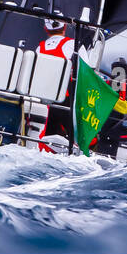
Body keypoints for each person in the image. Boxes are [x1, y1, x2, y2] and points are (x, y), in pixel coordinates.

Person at [36, 16, 75, 152]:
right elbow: (88, 69)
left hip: (44, 97)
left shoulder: (39, 48)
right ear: (64, 27)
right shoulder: (72, 44)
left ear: (45, 29)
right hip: (65, 98)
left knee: (50, 129)